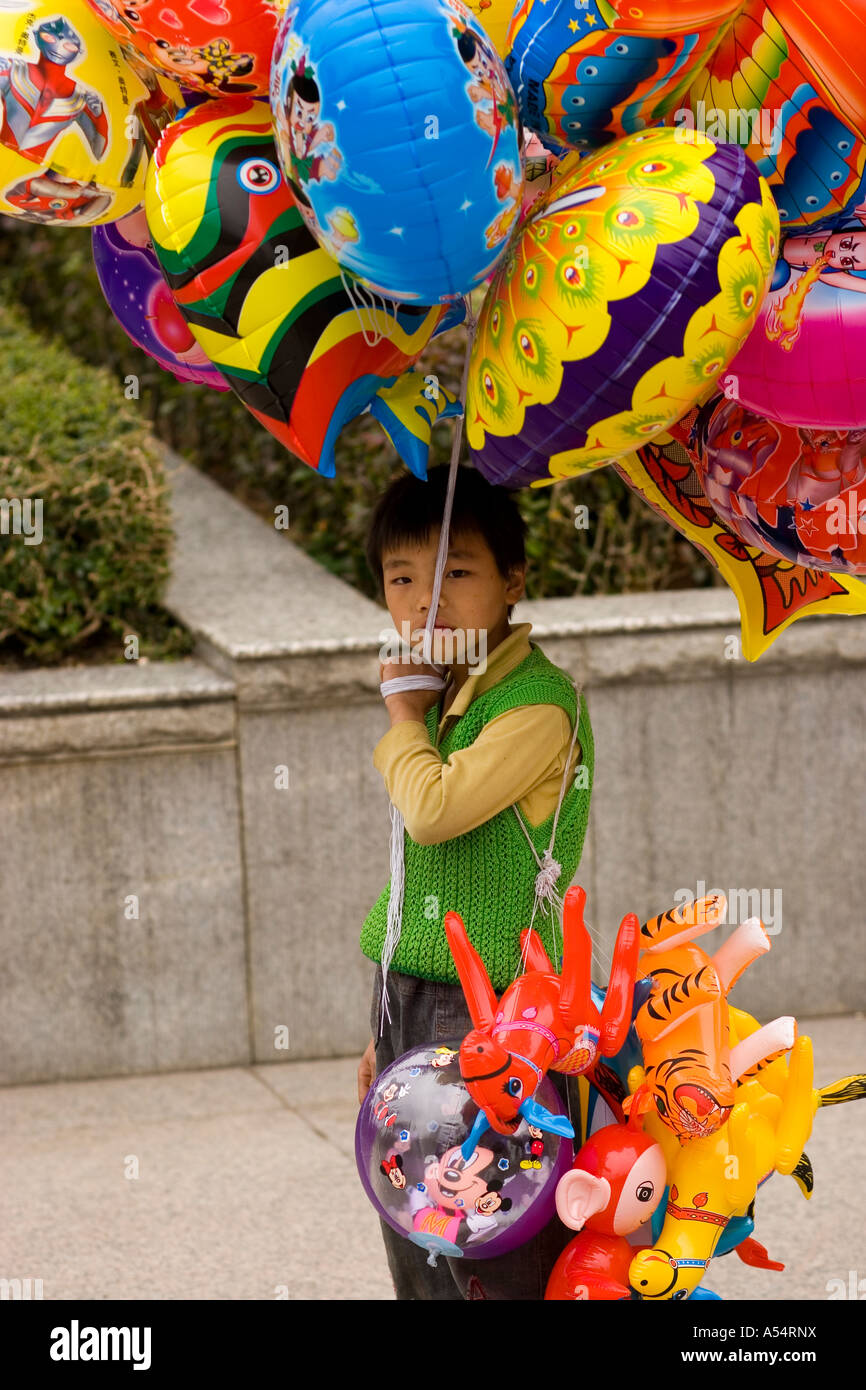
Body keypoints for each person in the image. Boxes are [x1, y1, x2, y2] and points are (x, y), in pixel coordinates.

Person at [356, 464, 595, 1300]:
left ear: (512, 581)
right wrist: (383, 1031)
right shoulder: (453, 696)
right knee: (417, 1225)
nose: (427, 600)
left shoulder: (535, 705)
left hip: (499, 1009)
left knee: (490, 1234)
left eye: (456, 572)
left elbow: (432, 812)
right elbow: (420, 874)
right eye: (402, 577)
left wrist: (400, 720)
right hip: (415, 993)